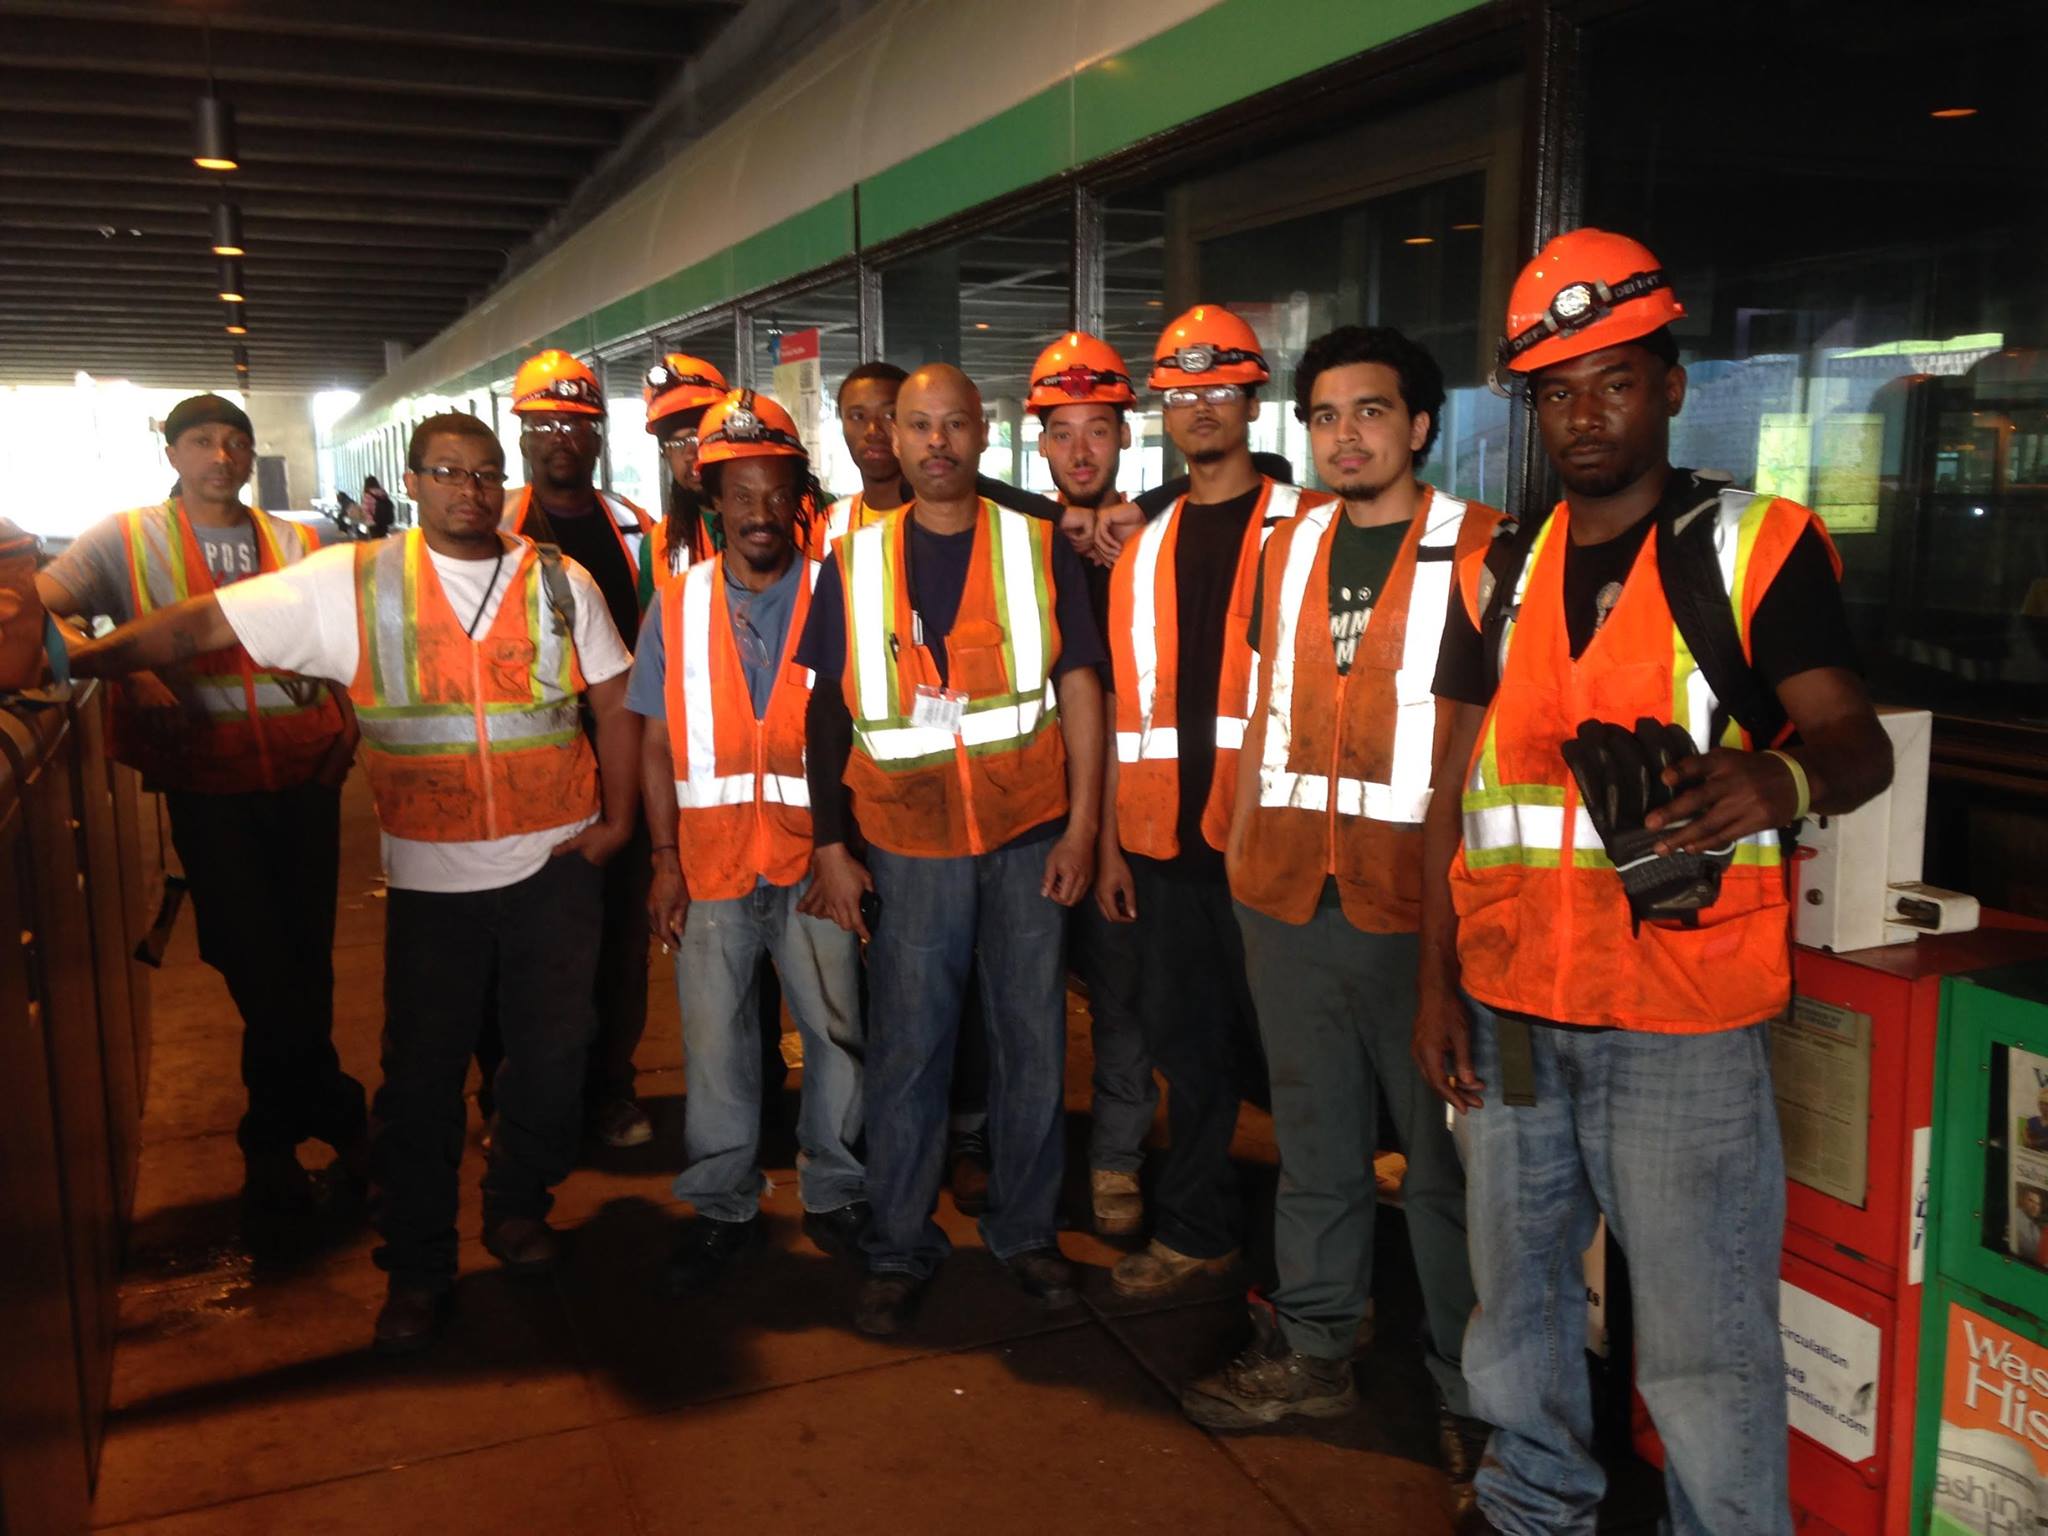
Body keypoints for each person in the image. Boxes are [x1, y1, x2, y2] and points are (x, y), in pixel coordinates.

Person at [1416, 229, 1894, 1536]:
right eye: (1558, 390)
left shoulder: (1756, 548)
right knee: (1513, 1309)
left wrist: (1778, 784)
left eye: (1614, 381)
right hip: (1514, 1012)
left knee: (1704, 1341)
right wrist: (1438, 985)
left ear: (1672, 387)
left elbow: (1851, 738)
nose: (1585, 413)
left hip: (1680, 1026)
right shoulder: (1492, 571)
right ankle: (1532, 1507)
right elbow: (1451, 793)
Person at [66, 411, 639, 1355]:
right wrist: (72, 658)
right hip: (433, 885)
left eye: (485, 474)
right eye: (449, 473)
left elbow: (615, 700)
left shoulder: (556, 578)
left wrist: (619, 822)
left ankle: (516, 1210)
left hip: (557, 869)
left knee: (550, 1061)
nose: (470, 490)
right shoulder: (356, 581)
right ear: (412, 482)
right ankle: (417, 1266)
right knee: (420, 1083)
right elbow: (205, 623)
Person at [1177, 324, 1497, 1512]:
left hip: (1415, 909)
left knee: (1442, 1170)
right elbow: (1258, 699)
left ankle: (1474, 1393)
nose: (1344, 435)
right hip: (1283, 893)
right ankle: (1313, 1350)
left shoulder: (1479, 553)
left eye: (1370, 411)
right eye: (1320, 416)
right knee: (1311, 1146)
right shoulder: (1289, 543)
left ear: (1419, 425)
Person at [796, 363, 1106, 1336]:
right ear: (890, 433)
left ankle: (1023, 1230)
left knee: (1029, 1043)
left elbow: (1083, 690)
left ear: (982, 433)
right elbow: (826, 713)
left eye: (952, 426)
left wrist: (1085, 828)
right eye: (916, 425)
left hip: (1026, 833)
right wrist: (830, 845)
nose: (934, 443)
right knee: (907, 1048)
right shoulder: (856, 559)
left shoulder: (1036, 546)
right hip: (906, 841)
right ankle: (896, 1243)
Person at [38, 393, 364, 1220]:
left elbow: (350, 638)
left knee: (303, 960)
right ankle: (321, 1114)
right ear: (173, 453)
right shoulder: (126, 538)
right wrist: (121, 666)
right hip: (207, 785)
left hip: (304, 776)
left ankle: (283, 1141)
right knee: (259, 963)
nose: (221, 456)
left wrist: (346, 739)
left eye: (236, 442)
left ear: (252, 457)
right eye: (201, 441)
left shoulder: (300, 540)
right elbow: (37, 612)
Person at [1101, 306, 1323, 1299]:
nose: (1200, 407)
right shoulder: (1140, 546)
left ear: (1251, 398)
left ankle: (1311, 1275)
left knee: (1300, 1064)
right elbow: (1118, 703)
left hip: (1275, 845)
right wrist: (1111, 845)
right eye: (1182, 392)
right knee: (1187, 1053)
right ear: (1162, 407)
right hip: (1163, 848)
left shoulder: (1313, 526)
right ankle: (1196, 1229)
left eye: (1218, 388)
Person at [630, 389, 867, 1291]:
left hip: (816, 864)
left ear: (797, 498)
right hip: (713, 866)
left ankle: (836, 1189)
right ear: (712, 503)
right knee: (717, 1046)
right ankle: (724, 1202)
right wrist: (662, 862)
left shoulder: (834, 595)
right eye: (740, 495)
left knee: (837, 1035)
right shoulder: (676, 604)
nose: (759, 513)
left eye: (775, 493)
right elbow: (654, 737)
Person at [498, 348, 658, 1151]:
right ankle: (517, 1104)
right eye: (546, 422)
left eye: (578, 422)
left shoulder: (634, 528)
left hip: (622, 761)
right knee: (522, 951)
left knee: (619, 947)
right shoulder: (492, 527)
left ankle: (609, 1090)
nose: (563, 436)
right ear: (523, 432)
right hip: (529, 778)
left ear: (599, 433)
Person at [1026, 330, 1156, 1236]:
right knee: (1020, 998)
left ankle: (1115, 1161)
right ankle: (1007, 1146)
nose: (1081, 451)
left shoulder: (1157, 540)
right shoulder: (1020, 540)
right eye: (1063, 432)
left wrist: (1151, 508)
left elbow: (1262, 474)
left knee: (1123, 999)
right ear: (1038, 444)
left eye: (1098, 431)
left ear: (1124, 439)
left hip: (1129, 816)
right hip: (1028, 812)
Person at [640, 352, 730, 596]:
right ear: (664, 454)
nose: (690, 453)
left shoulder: (807, 510)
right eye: (675, 443)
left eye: (697, 436)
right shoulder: (658, 545)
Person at [807, 362, 910, 558]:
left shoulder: (944, 516)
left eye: (890, 415)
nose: (873, 431)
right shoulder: (829, 525)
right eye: (857, 416)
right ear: (842, 424)